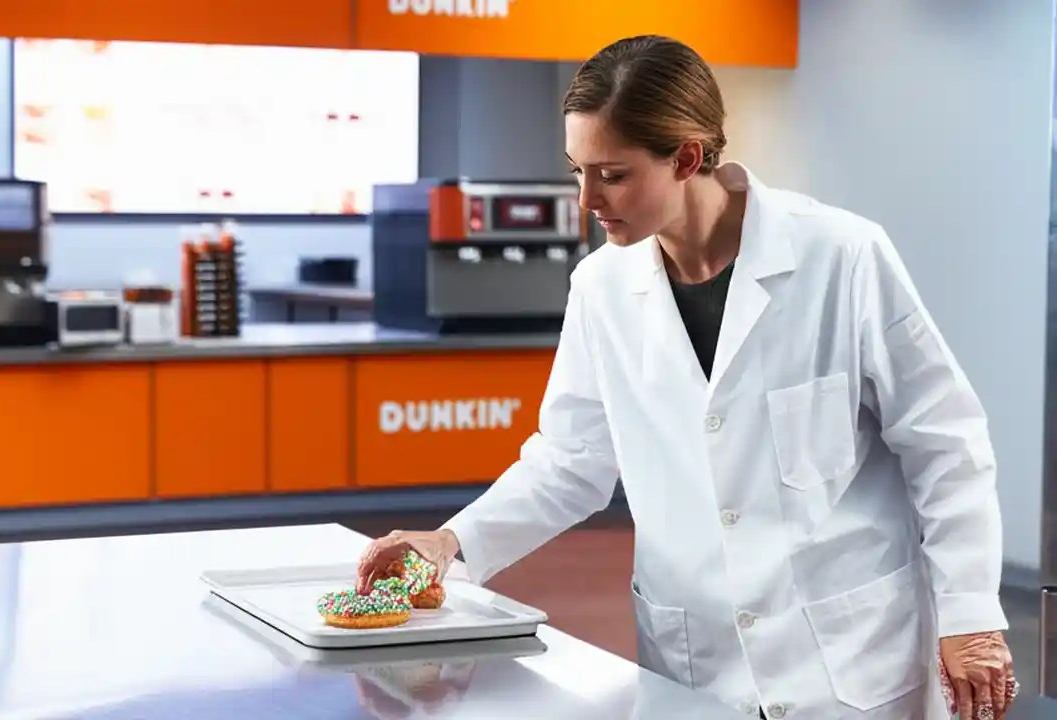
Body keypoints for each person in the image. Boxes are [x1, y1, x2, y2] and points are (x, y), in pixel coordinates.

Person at [357, 35, 1017, 719]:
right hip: (696, 663)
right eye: (576, 170)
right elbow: (569, 461)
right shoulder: (601, 287)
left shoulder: (841, 257)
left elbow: (945, 444)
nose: (586, 198)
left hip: (851, 661)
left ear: (688, 158)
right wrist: (451, 542)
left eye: (612, 174)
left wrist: (968, 610)